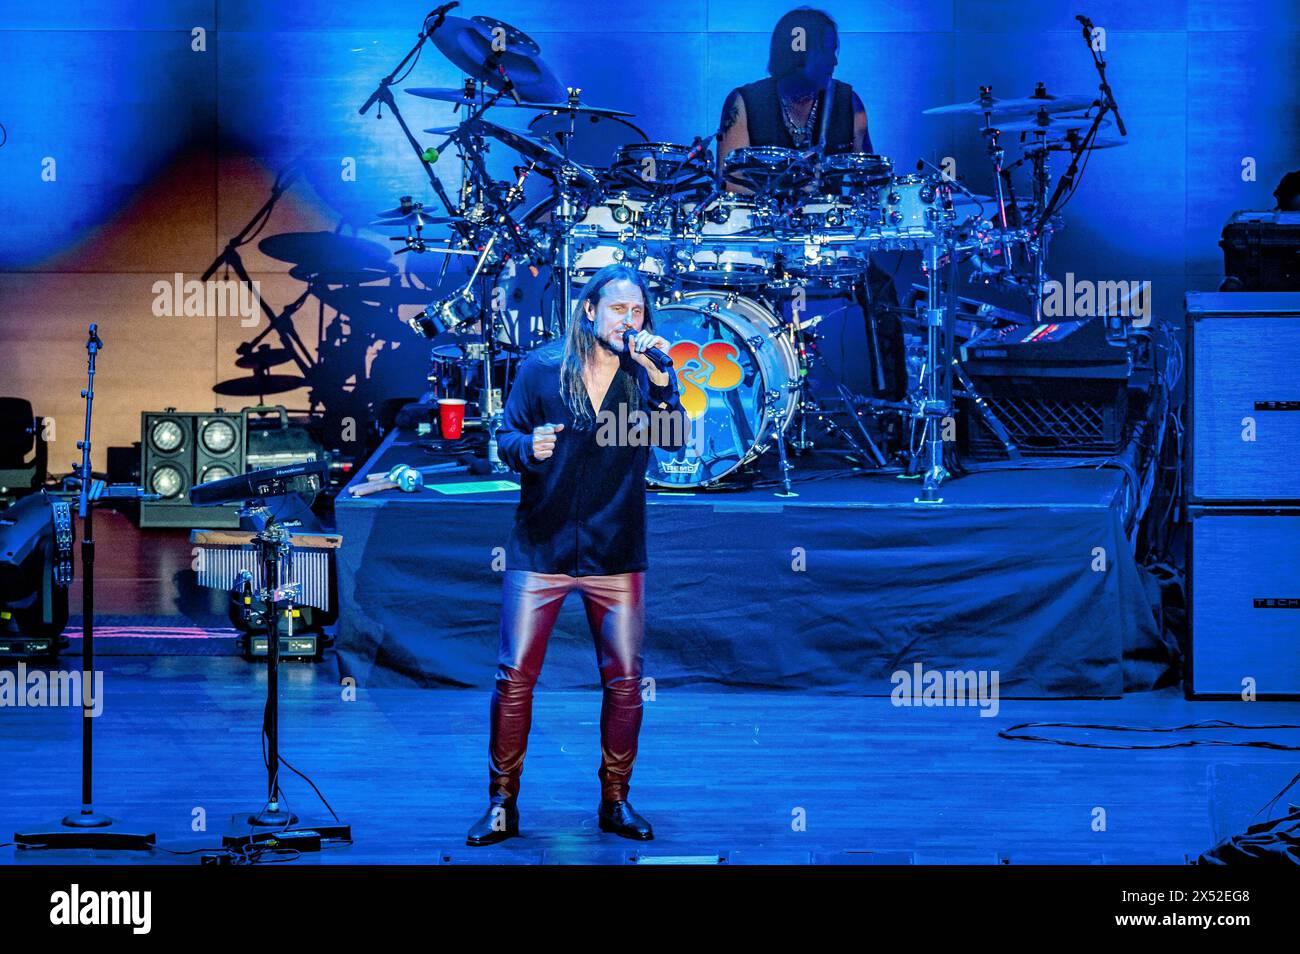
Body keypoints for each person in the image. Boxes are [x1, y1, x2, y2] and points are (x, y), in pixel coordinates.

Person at [465, 264, 690, 846]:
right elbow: (503, 438)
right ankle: (501, 804)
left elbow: (673, 440)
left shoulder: (644, 378)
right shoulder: (542, 369)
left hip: (615, 550)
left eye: (638, 312)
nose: (629, 321)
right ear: (589, 311)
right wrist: (526, 446)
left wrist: (663, 384)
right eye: (619, 310)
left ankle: (615, 801)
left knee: (624, 680)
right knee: (514, 677)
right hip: (540, 545)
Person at [717, 6, 873, 171]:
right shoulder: (745, 103)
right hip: (764, 197)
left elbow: (871, 180)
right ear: (798, 53)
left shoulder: (848, 103)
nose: (834, 61)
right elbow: (730, 185)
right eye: (826, 51)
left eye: (834, 51)